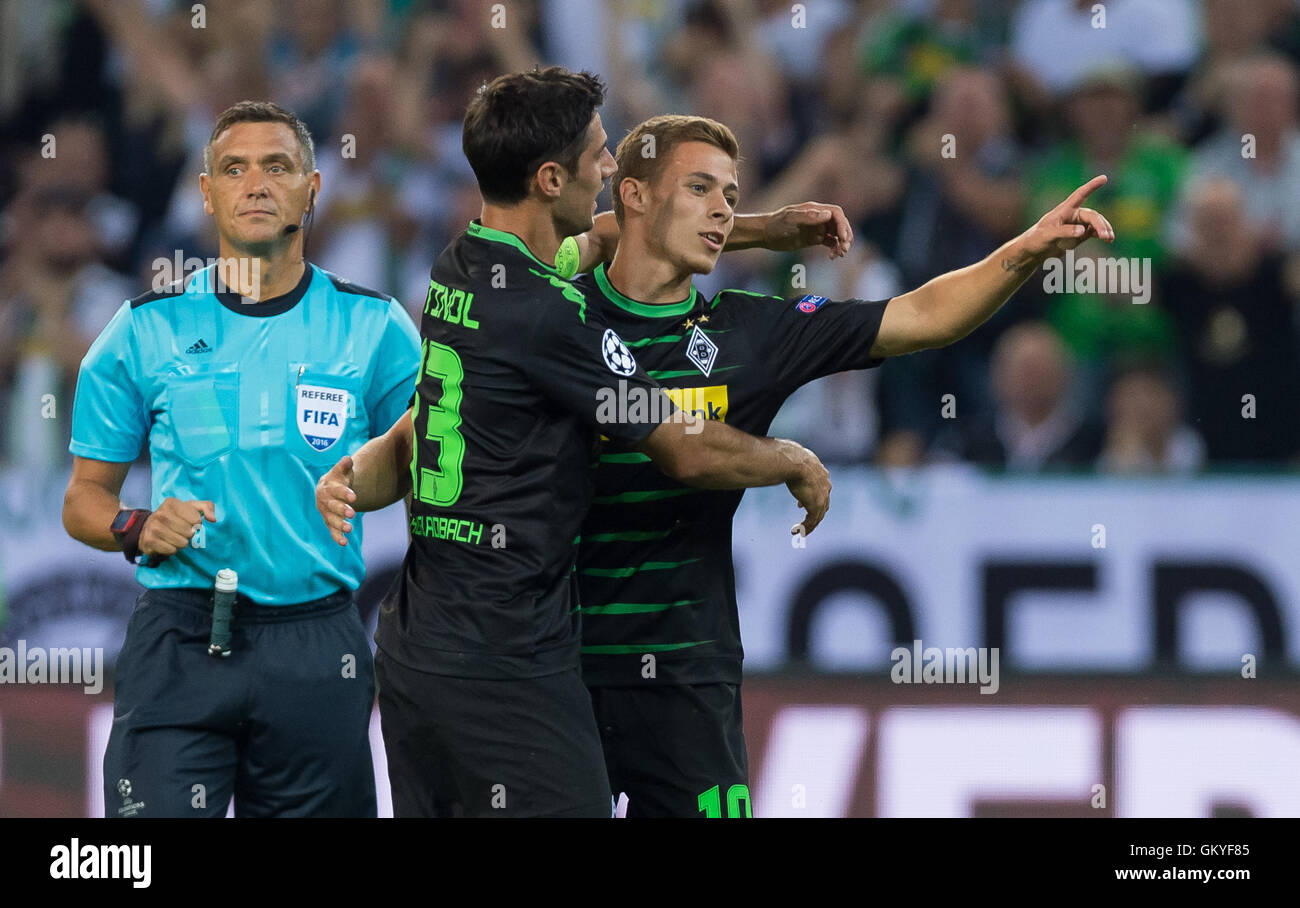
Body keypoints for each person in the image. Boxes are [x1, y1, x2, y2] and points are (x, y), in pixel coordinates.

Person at [314, 67, 843, 818]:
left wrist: (758, 227)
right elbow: (683, 448)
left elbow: (598, 238)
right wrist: (790, 458)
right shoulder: (553, 318)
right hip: (505, 663)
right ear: (549, 176)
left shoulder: (462, 267)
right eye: (598, 155)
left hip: (414, 652)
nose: (609, 170)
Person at [572, 114, 1114, 816]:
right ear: (635, 195)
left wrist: (1026, 250)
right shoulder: (557, 316)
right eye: (700, 188)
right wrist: (765, 227)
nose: (721, 209)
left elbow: (922, 316)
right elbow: (525, 249)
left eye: (731, 196)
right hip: (555, 668)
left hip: (688, 676)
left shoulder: (752, 332)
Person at [62, 100, 420, 817]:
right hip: (180, 639)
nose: (255, 184)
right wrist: (135, 526)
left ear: (313, 188)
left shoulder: (376, 328)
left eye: (277, 166)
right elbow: (82, 500)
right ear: (207, 193)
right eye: (234, 168)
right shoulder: (142, 330)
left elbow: (429, 473)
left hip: (320, 643)